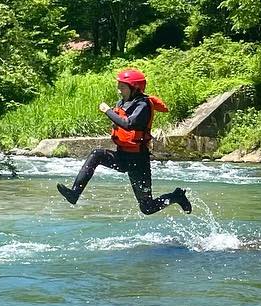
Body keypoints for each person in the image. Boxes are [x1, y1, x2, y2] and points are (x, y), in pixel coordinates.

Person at [55, 68, 191, 215]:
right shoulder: (122, 103)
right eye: (118, 85)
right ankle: (74, 193)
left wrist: (107, 111)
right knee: (96, 154)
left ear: (135, 88)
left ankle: (176, 196)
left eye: (122, 86)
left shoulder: (143, 105)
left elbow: (128, 124)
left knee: (147, 208)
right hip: (122, 156)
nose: (119, 89)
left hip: (138, 160)